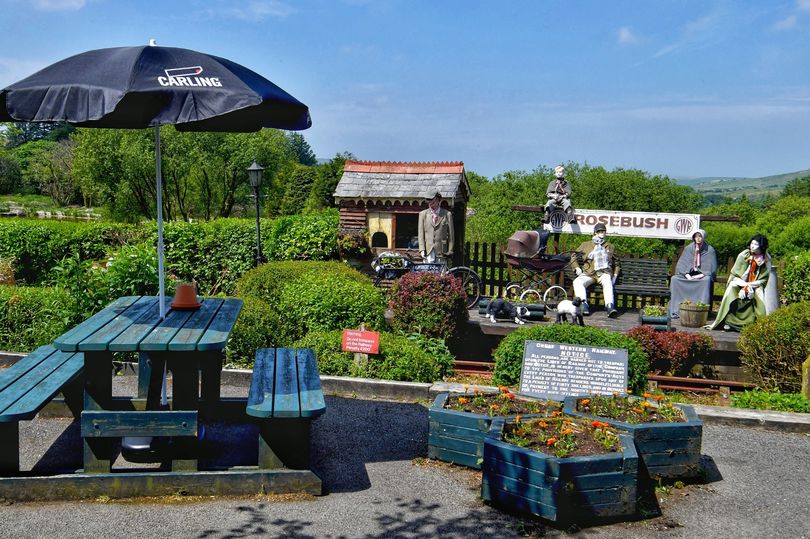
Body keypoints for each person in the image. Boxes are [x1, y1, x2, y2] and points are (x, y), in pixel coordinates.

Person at [707, 234, 770, 331]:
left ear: (761, 246)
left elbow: (763, 279)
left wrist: (750, 286)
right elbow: (735, 275)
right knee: (732, 288)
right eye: (752, 243)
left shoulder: (766, 259)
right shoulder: (744, 255)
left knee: (759, 294)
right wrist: (745, 285)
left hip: (755, 285)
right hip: (740, 282)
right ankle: (727, 321)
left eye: (756, 244)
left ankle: (758, 324)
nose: (752, 246)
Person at [570, 223, 621, 317]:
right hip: (589, 273)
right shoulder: (585, 245)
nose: (601, 233)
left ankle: (610, 306)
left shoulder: (610, 246)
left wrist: (615, 276)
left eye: (603, 231)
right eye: (599, 231)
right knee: (577, 282)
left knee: (607, 281)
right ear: (594, 232)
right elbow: (573, 256)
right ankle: (583, 305)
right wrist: (577, 268)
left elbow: (617, 263)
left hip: (604, 272)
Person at [668, 229, 718, 318]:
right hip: (688, 275)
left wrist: (700, 275)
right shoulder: (689, 248)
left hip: (702, 277)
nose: (698, 238)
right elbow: (682, 264)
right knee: (675, 279)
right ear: (694, 237)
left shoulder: (709, 250)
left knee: (706, 281)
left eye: (700, 236)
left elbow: (710, 269)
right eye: (696, 236)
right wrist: (687, 275)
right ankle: (676, 309)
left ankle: (700, 309)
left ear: (703, 237)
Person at [418, 192, 454, 264]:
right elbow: (421, 234)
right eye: (429, 201)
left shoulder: (447, 214)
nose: (430, 203)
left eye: (433, 201)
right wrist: (422, 249)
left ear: (438, 201)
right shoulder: (423, 214)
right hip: (428, 251)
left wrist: (450, 251)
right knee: (428, 274)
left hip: (442, 251)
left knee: (441, 274)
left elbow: (451, 235)